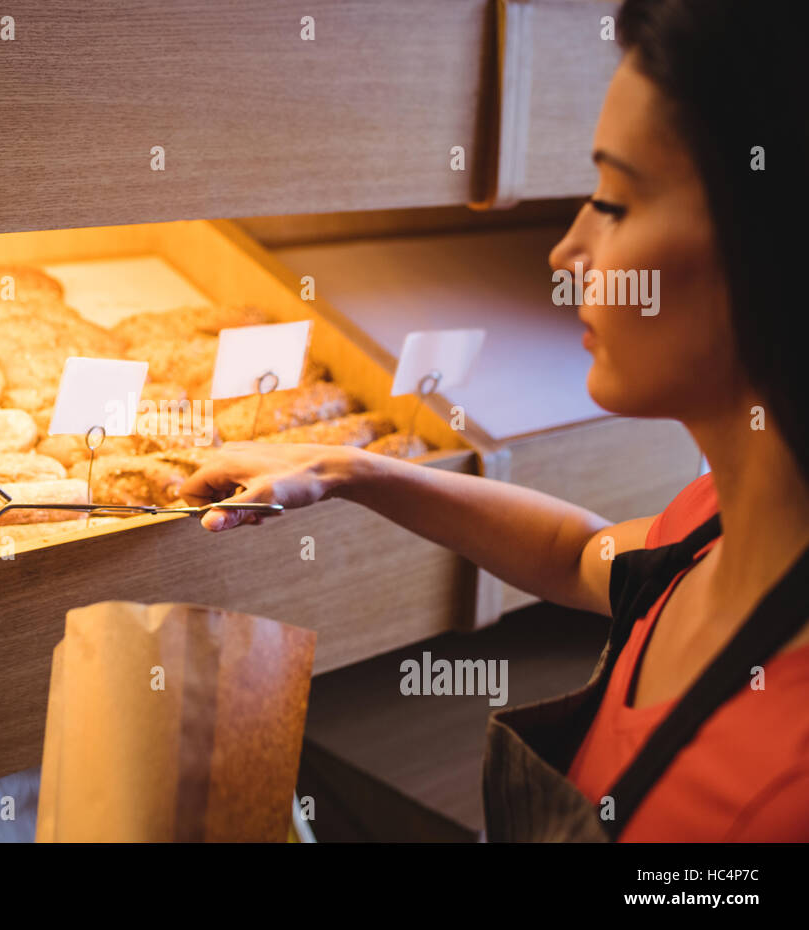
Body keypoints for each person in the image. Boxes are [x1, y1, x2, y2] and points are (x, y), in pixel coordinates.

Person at [180, 0, 809, 842]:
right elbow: (580, 553)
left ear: (768, 248)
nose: (565, 252)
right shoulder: (713, 530)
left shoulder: (776, 790)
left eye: (615, 202)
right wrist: (347, 470)